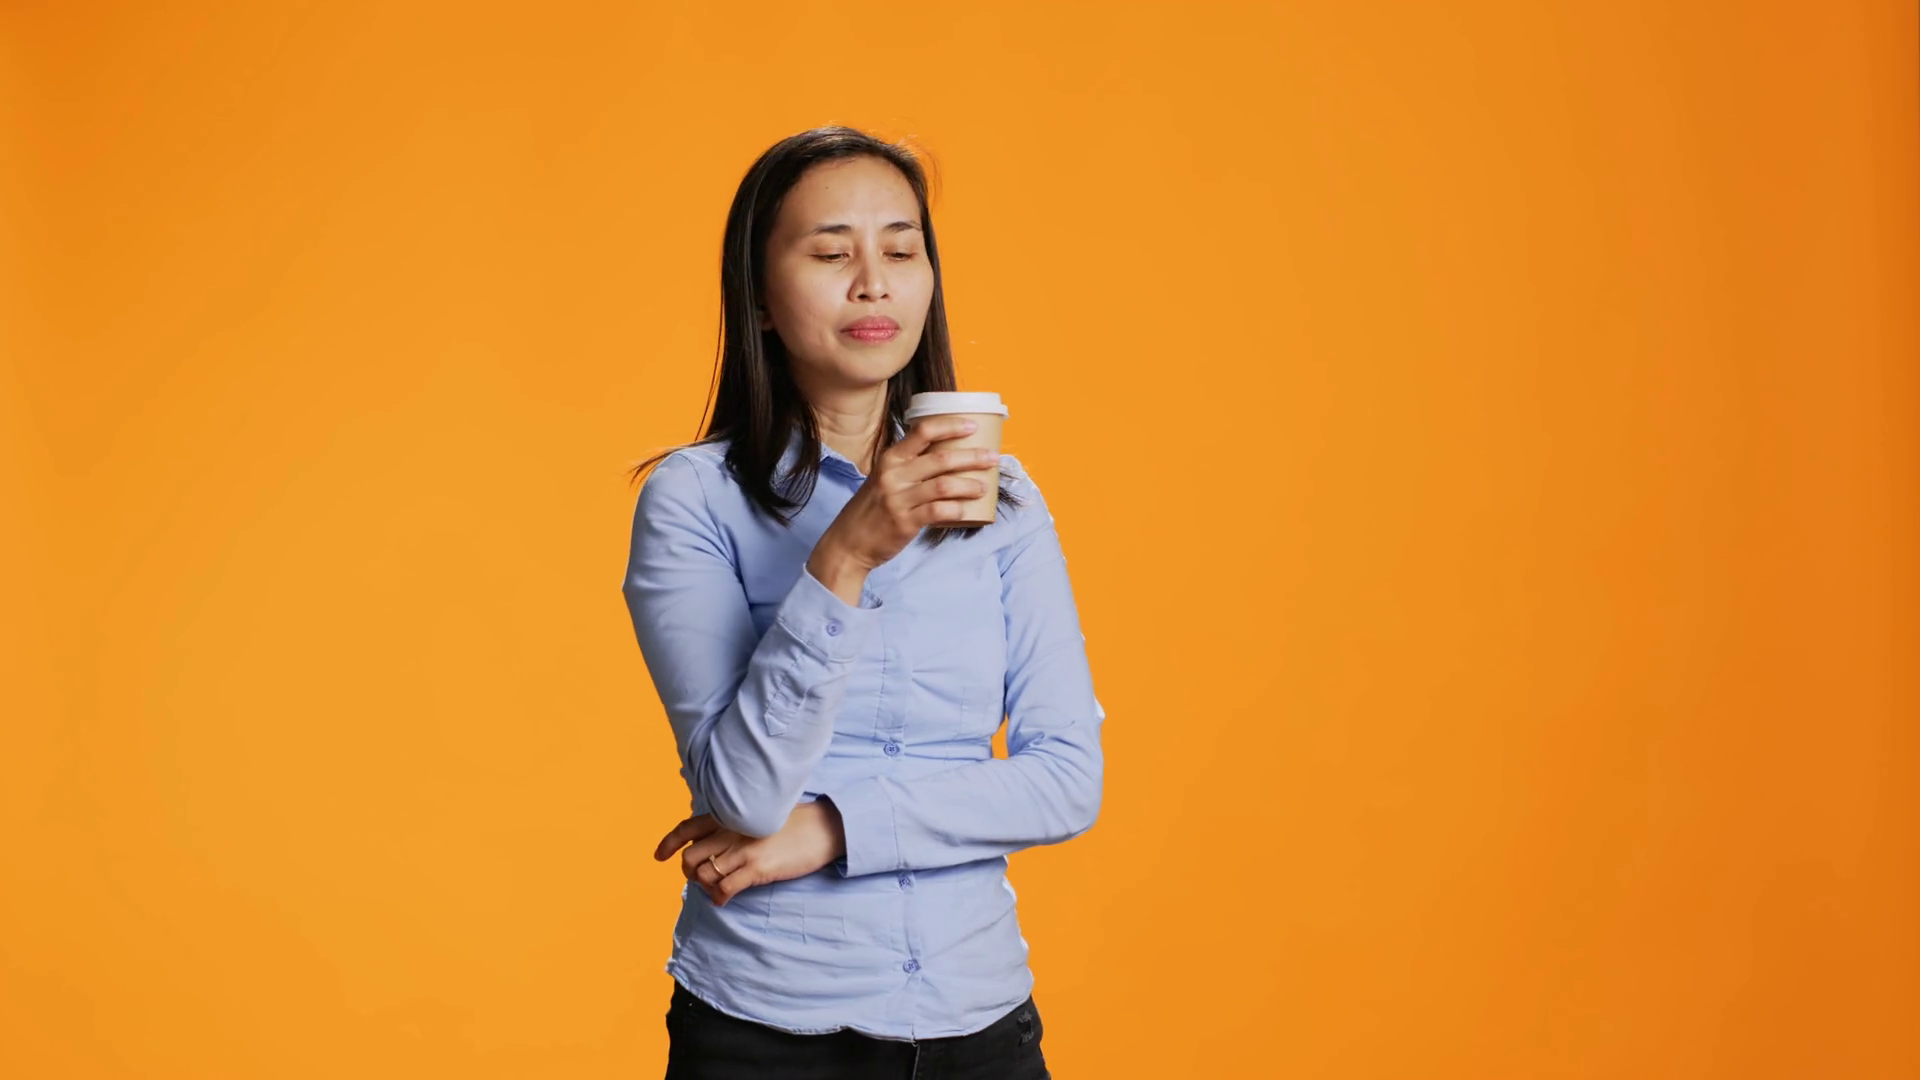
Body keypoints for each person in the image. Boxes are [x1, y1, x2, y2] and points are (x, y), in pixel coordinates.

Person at [621, 126, 1104, 1080]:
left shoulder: (1006, 501)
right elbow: (743, 795)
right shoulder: (692, 499)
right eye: (833, 253)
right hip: (765, 1029)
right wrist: (843, 554)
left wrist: (831, 829)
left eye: (902, 248)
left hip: (980, 1019)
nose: (874, 282)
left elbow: (1066, 778)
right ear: (760, 298)